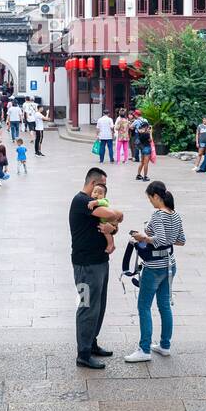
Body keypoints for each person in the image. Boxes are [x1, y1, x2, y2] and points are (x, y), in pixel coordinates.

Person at [124, 180, 185, 362]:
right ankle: (165, 345)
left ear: (156, 196)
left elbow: (159, 239)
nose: (150, 201)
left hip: (154, 267)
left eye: (150, 198)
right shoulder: (176, 214)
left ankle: (144, 349)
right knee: (164, 305)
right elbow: (180, 240)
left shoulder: (158, 215)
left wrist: (142, 237)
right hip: (170, 265)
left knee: (143, 306)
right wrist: (161, 240)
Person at [70, 167, 123, 369]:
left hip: (100, 261)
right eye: (103, 186)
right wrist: (116, 216)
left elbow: (114, 221)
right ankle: (83, 353)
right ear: (93, 184)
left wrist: (113, 226)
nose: (105, 190)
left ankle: (91, 343)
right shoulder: (81, 201)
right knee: (87, 306)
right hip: (85, 265)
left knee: (98, 306)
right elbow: (113, 214)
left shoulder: (93, 202)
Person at [131, 112, 153, 182]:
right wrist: (151, 133)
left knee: (142, 162)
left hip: (142, 148)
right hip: (147, 148)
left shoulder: (140, 133)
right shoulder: (147, 134)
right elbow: (150, 140)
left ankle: (138, 175)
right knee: (146, 163)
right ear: (146, 127)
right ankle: (145, 176)